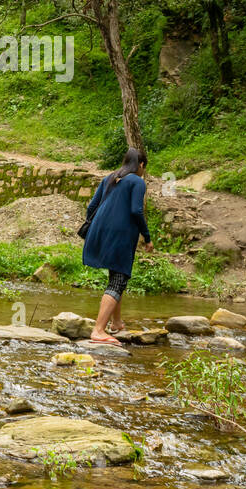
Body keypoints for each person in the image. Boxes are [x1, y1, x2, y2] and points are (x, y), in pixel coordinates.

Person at [81, 147, 153, 346]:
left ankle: (116, 322)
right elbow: (136, 210)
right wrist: (147, 237)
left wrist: (98, 227)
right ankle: (98, 330)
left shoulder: (109, 178)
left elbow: (91, 208)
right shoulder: (137, 181)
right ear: (141, 165)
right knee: (119, 279)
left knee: (115, 275)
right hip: (120, 235)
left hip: (99, 232)